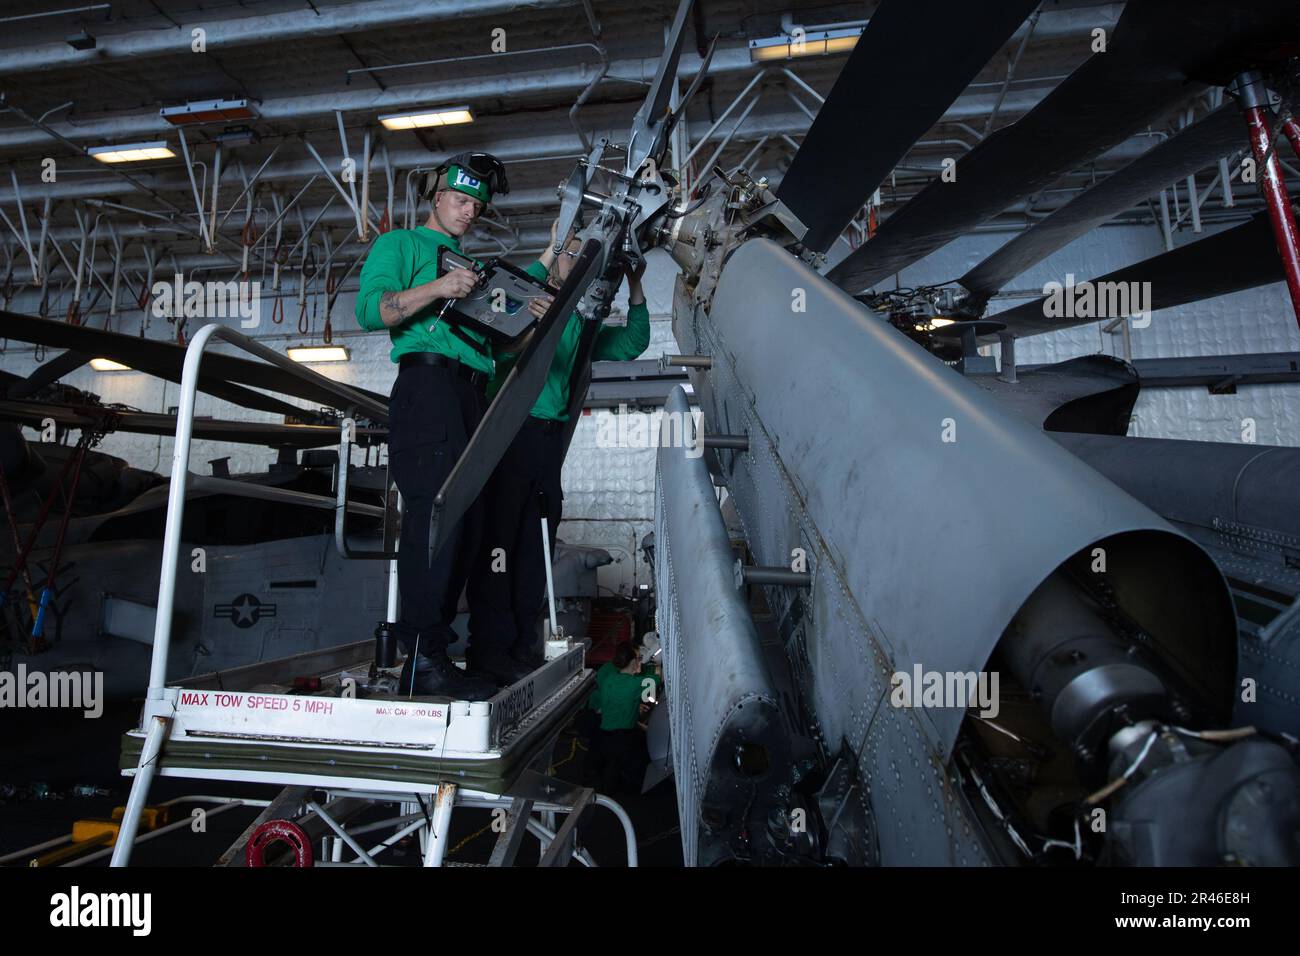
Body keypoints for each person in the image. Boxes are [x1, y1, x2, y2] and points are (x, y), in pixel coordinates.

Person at [355, 152, 549, 699]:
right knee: (435, 517)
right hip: (429, 388)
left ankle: (437, 651)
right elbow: (373, 311)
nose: (469, 213)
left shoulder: (474, 273)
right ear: (436, 198)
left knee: (468, 524)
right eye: (461, 201)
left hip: (472, 394)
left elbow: (499, 350)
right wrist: (440, 289)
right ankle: (421, 654)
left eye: (477, 207)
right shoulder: (402, 246)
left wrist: (527, 325)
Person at [464, 223, 650, 685]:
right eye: (569, 254)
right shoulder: (524, 302)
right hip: (511, 432)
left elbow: (632, 343)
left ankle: (524, 644)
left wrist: (635, 283)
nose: (575, 262)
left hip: (548, 441)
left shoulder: (576, 321)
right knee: (499, 544)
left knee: (536, 544)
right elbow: (492, 309)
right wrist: (548, 253)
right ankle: (489, 646)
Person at [582, 641, 662, 794]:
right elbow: (657, 679)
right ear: (632, 662)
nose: (640, 661)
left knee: (609, 773)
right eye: (639, 658)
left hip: (604, 736)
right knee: (640, 765)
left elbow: (614, 699)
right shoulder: (634, 684)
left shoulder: (609, 678)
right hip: (623, 740)